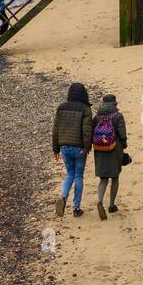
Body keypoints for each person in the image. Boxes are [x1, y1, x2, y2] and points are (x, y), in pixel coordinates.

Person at [52, 82, 93, 218]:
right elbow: (87, 130)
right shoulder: (85, 109)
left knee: (70, 174)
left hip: (64, 146)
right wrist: (87, 146)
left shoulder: (61, 108)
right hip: (79, 148)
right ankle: (76, 208)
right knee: (79, 176)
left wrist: (55, 148)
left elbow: (56, 129)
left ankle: (63, 197)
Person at [90, 94, 128, 219]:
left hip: (100, 150)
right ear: (114, 103)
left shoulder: (97, 117)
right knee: (115, 178)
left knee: (103, 179)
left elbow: (91, 133)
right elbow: (122, 134)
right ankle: (111, 205)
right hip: (114, 149)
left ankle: (100, 202)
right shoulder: (118, 116)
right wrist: (124, 144)